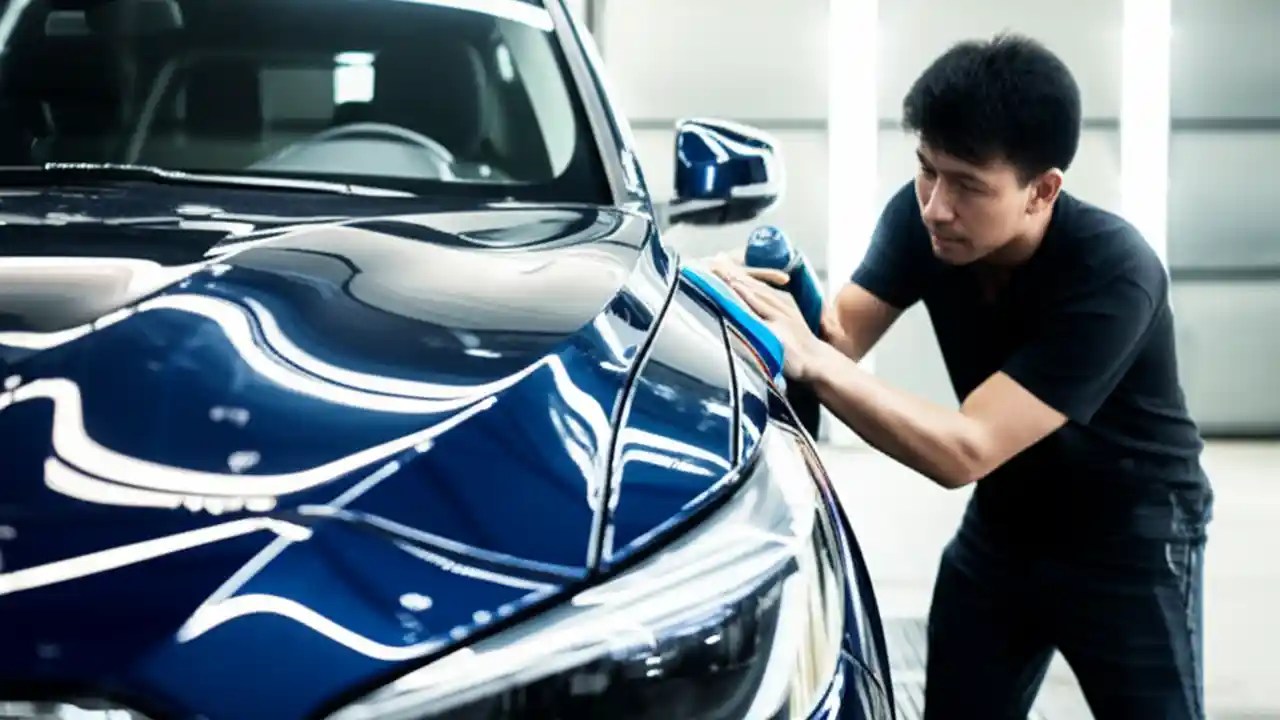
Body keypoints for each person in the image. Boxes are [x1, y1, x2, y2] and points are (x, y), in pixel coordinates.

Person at [709, 32, 1212, 720]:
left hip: (1131, 536)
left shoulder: (1115, 272)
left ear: (1042, 191)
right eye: (927, 170)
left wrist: (813, 356)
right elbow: (839, 337)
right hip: (1007, 522)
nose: (936, 206)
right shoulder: (924, 223)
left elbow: (966, 447)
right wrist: (756, 296)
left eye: (969, 185)